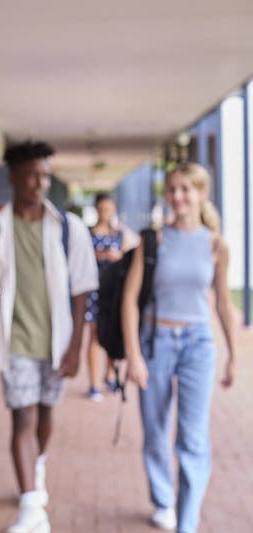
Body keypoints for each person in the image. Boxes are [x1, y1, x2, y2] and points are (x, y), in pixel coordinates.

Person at [0, 140, 98, 533]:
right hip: (14, 341)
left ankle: (35, 470)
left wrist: (75, 349)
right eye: (32, 176)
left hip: (56, 343)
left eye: (44, 175)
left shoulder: (68, 229)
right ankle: (31, 509)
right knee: (22, 418)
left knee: (44, 414)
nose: (40, 183)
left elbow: (82, 292)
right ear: (13, 178)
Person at [122, 162, 235, 533]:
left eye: (186, 189)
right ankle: (163, 499)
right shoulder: (153, 241)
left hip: (198, 345)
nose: (178, 196)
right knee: (155, 431)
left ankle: (187, 521)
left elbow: (222, 303)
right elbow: (129, 300)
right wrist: (134, 356)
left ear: (202, 193)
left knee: (193, 437)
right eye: (172, 189)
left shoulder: (216, 245)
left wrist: (233, 355)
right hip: (155, 343)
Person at [83, 192, 138, 401]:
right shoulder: (87, 233)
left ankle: (109, 375)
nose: (105, 213)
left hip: (113, 291)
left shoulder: (121, 234)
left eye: (109, 209)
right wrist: (98, 255)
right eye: (102, 209)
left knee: (111, 332)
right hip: (93, 289)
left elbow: (131, 257)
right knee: (95, 335)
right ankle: (94, 383)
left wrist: (119, 256)